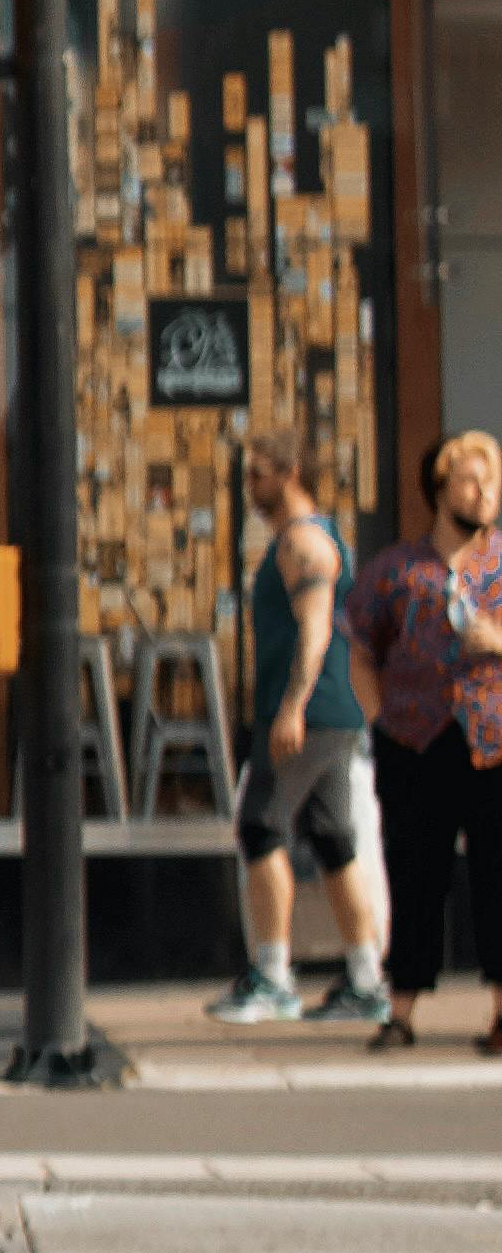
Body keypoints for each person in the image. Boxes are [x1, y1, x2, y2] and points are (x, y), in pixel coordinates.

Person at [208, 429, 389, 1025]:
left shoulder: (304, 542)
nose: (250, 486)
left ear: (290, 473)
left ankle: (273, 977)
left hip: (309, 715)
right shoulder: (313, 537)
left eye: (258, 474)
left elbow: (316, 628)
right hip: (334, 714)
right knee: (334, 841)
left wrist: (291, 706)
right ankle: (365, 981)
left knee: (261, 826)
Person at [347, 427, 502, 1054]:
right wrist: (379, 720)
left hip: (494, 741)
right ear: (440, 490)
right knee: (414, 876)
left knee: (499, 877)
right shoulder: (395, 570)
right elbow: (361, 651)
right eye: (470, 480)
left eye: (492, 481)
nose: (485, 492)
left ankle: (501, 1014)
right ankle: (402, 1010)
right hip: (414, 740)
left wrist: (496, 641)